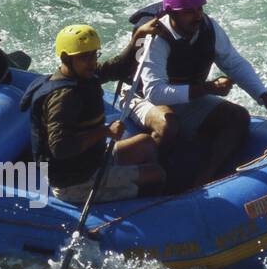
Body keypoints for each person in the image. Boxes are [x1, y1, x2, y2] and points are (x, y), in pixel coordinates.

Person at [126, 0, 267, 189]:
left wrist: (265, 97)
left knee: (238, 116)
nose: (197, 16)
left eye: (199, 9)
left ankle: (204, 181)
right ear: (171, 13)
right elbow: (154, 93)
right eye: (188, 12)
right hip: (140, 97)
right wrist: (209, 88)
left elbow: (234, 63)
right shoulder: (156, 37)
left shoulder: (208, 27)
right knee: (168, 124)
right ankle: (152, 182)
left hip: (183, 95)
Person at [21, 23, 165, 206]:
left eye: (94, 55)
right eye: (84, 57)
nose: (92, 62)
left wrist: (139, 36)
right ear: (65, 58)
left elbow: (117, 68)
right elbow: (60, 147)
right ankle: (152, 205)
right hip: (75, 182)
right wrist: (104, 132)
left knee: (146, 144)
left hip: (92, 160)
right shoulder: (64, 98)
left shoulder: (82, 75)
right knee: (156, 175)